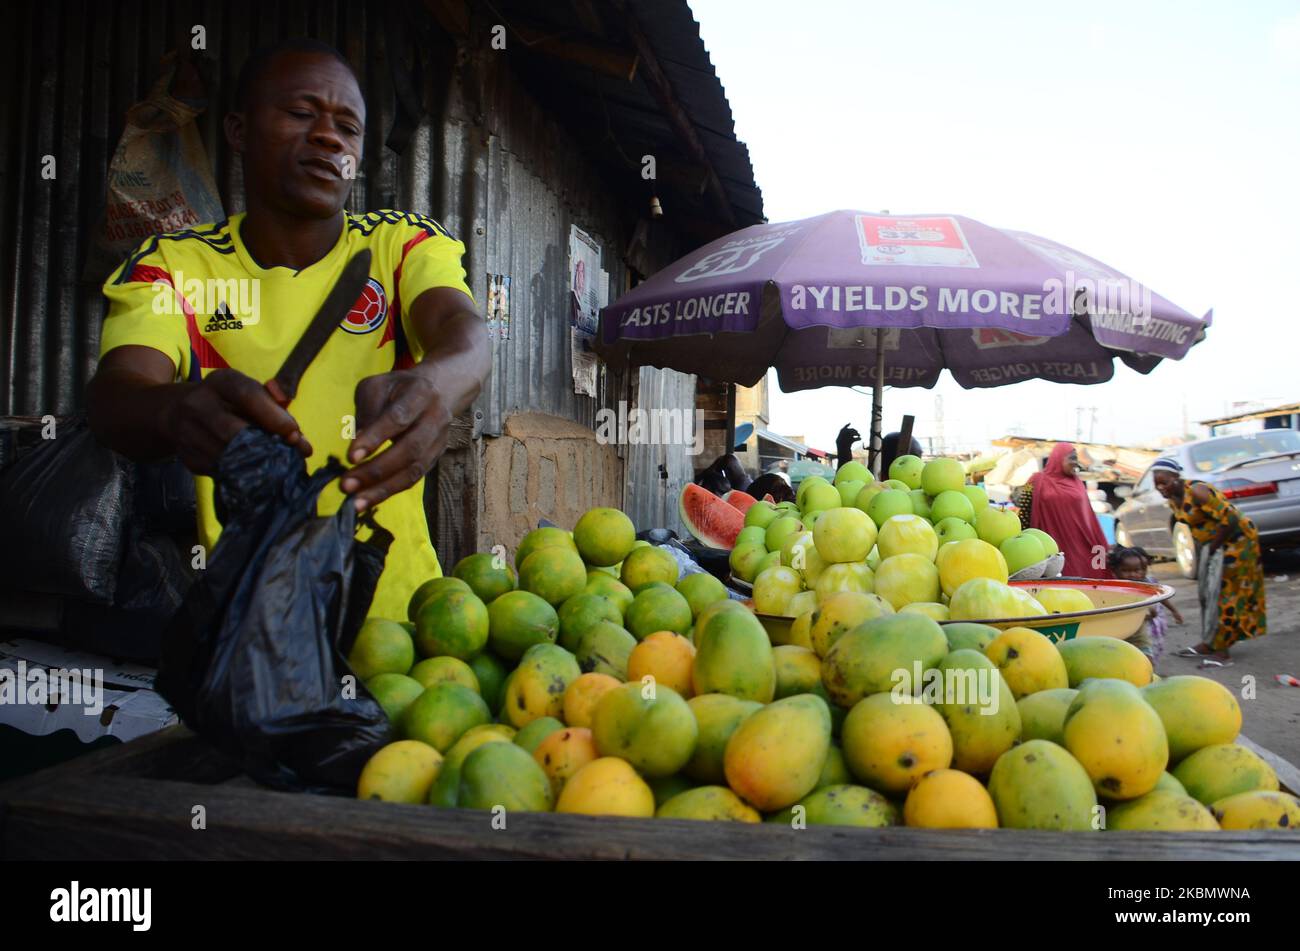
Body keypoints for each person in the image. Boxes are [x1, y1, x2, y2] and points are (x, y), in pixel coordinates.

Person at [86, 39, 492, 621]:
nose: (329, 136)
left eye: (348, 128)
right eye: (302, 114)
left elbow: (466, 333)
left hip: (404, 625)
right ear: (238, 130)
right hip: (254, 624)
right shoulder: (175, 266)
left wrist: (438, 386)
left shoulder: (398, 245)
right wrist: (175, 410)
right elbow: (115, 396)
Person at [1150, 456, 1266, 668]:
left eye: (1164, 482)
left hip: (1237, 542)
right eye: (1156, 483)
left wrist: (1212, 548)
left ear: (1177, 477)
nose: (1160, 487)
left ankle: (1223, 653)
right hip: (1215, 544)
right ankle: (1210, 642)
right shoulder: (1173, 497)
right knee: (1206, 594)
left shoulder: (1197, 491)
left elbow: (1229, 518)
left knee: (1224, 594)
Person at [1011, 442, 1110, 579]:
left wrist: (1100, 546)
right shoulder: (1037, 481)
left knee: (1084, 583)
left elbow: (1088, 517)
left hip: (1078, 548)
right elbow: (1025, 514)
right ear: (1058, 458)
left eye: (1076, 458)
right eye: (1072, 458)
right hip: (1051, 550)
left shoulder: (1078, 483)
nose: (1075, 462)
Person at [1108, 545, 1183, 665]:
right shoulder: (1113, 588)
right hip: (1123, 635)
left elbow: (1159, 599)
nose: (1132, 574)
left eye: (1136, 570)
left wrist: (1173, 611)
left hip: (1141, 636)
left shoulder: (1144, 585)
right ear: (1115, 570)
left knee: (1148, 659)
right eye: (1126, 571)